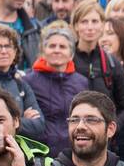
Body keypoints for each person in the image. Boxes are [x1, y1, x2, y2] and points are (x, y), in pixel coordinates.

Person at [24, 22, 88, 154]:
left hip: (73, 152)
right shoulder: (28, 81)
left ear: (71, 54)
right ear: (43, 51)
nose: (57, 50)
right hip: (41, 153)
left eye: (62, 46)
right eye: (52, 46)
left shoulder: (82, 82)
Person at [70, 0, 124, 132]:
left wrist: (111, 129)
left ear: (102, 25)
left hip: (103, 141)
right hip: (73, 135)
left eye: (94, 21)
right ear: (75, 26)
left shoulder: (111, 63)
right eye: (84, 22)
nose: (90, 27)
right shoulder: (67, 60)